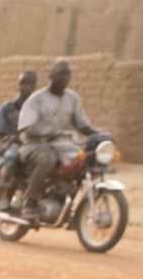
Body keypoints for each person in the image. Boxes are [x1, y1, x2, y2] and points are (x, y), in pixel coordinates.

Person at [15, 60, 96, 216]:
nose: (64, 78)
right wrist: (49, 131)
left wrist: (98, 133)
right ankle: (29, 202)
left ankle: (65, 195)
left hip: (62, 144)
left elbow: (82, 124)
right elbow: (25, 127)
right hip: (34, 144)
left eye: (67, 75)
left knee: (84, 159)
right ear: (51, 76)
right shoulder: (36, 99)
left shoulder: (73, 98)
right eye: (61, 74)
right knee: (47, 159)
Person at [0, 69, 37, 206]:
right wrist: (13, 138)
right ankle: (4, 193)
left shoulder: (37, 108)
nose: (27, 87)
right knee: (12, 156)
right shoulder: (8, 108)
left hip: (33, 144)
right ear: (18, 86)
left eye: (30, 84)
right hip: (12, 144)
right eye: (23, 83)